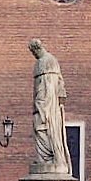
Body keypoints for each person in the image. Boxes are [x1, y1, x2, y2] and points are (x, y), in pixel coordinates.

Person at [29, 39, 71, 173]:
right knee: (40, 126)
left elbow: (48, 86)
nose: (33, 55)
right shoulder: (43, 62)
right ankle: (44, 157)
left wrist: (41, 104)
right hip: (44, 101)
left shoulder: (46, 62)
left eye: (32, 52)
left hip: (46, 103)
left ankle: (47, 157)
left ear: (36, 49)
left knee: (42, 125)